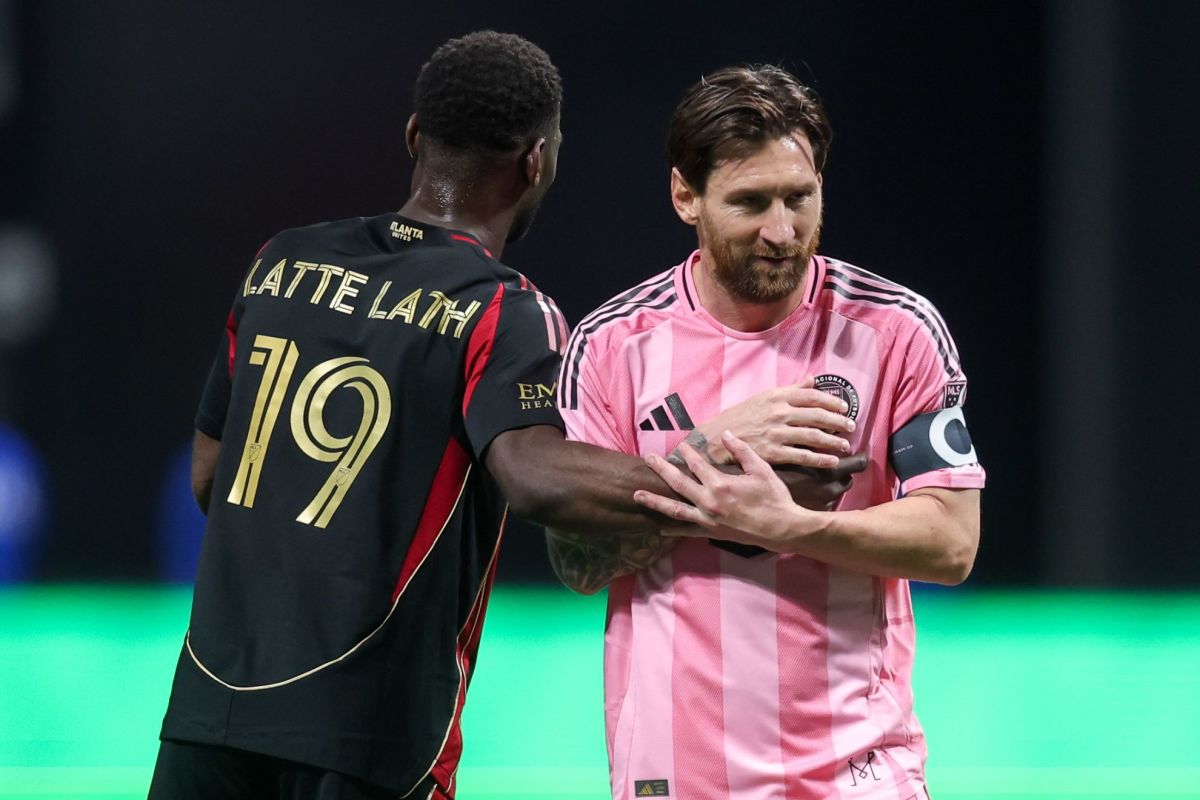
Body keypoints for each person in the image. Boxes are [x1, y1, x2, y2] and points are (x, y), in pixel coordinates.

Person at [149, 34, 861, 800]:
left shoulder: (280, 262)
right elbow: (536, 481)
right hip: (374, 733)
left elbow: (210, 477)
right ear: (538, 161)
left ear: (415, 137)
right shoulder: (501, 307)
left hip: (207, 710)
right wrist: (721, 459)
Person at [548, 65, 986, 800]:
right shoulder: (612, 343)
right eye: (751, 203)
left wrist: (786, 524)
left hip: (859, 771)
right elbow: (578, 564)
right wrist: (711, 452)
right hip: (675, 771)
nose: (783, 231)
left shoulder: (898, 330)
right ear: (686, 195)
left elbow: (951, 542)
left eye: (800, 197)